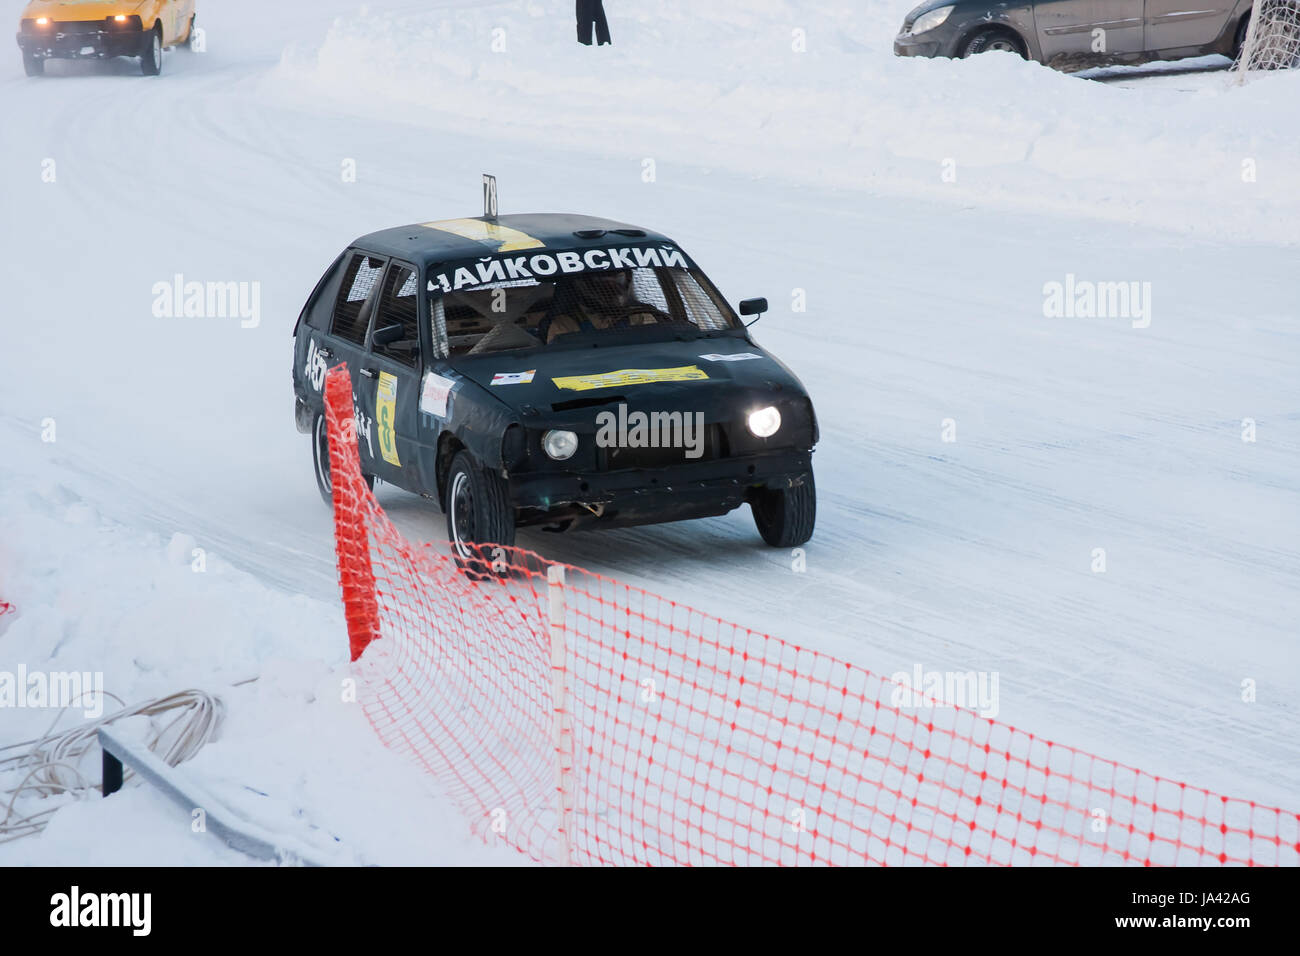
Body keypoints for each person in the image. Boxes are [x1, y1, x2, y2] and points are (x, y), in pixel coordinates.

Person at [541, 272, 660, 343]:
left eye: (619, 279)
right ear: (586, 286)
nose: (613, 288)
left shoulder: (640, 315)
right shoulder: (565, 324)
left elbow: (661, 347)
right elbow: (562, 364)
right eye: (604, 282)